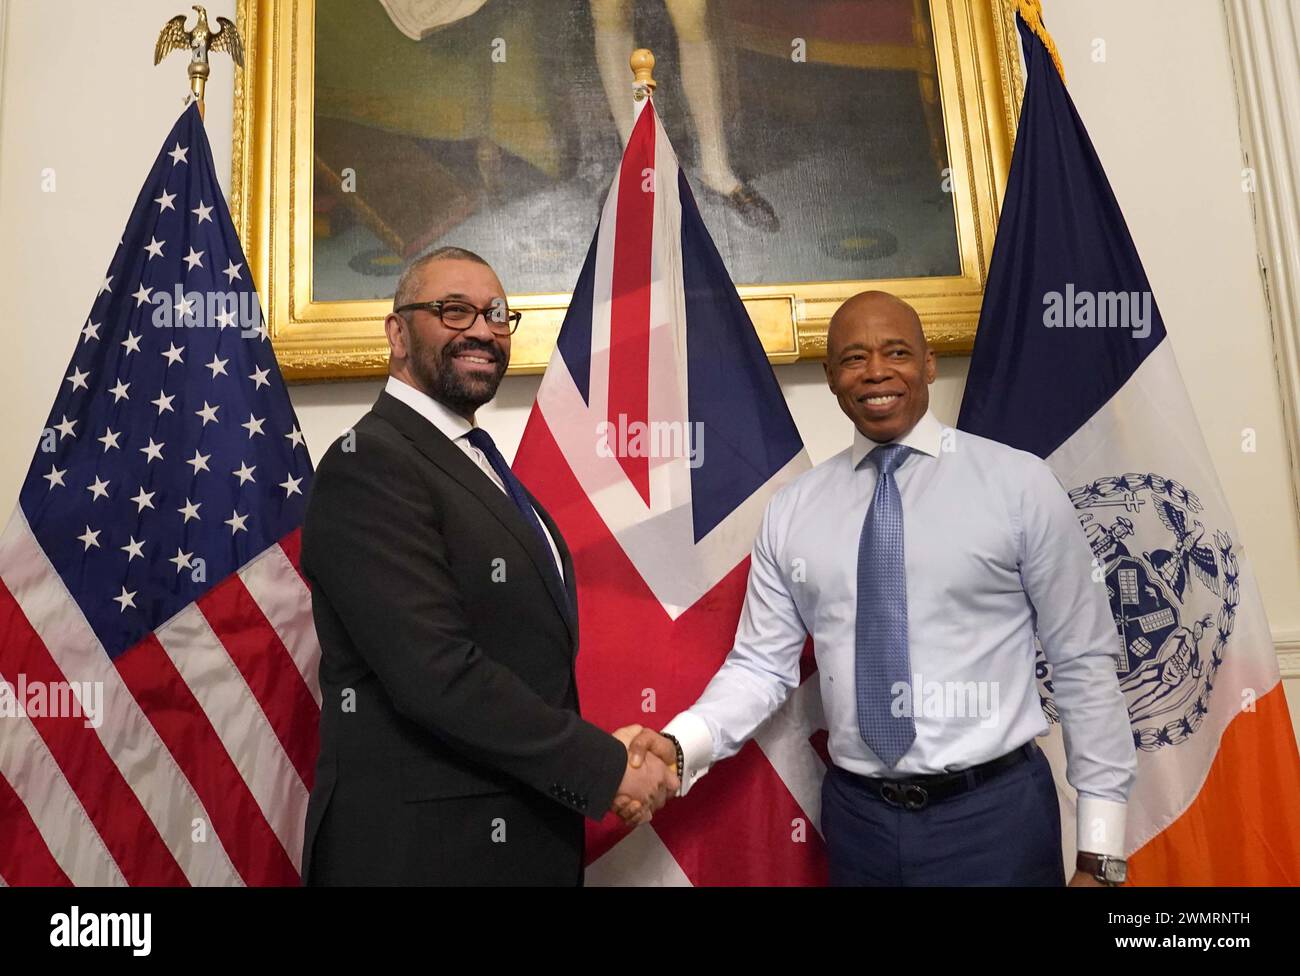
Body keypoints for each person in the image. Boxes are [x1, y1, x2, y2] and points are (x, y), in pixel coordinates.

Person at [624, 290, 1137, 886]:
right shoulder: (794, 511)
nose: (876, 372)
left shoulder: (1018, 485)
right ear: (831, 377)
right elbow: (761, 666)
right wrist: (678, 745)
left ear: (927, 363)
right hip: (858, 822)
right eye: (853, 358)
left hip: (995, 820)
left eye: (896, 352)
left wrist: (1101, 857)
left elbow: (1083, 661)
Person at [301, 246, 677, 885]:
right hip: (421, 854)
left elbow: (520, 657)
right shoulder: (370, 462)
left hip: (514, 840)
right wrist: (604, 766)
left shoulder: (472, 459)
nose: (481, 329)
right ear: (398, 334)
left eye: (497, 314)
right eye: (453, 311)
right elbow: (435, 674)